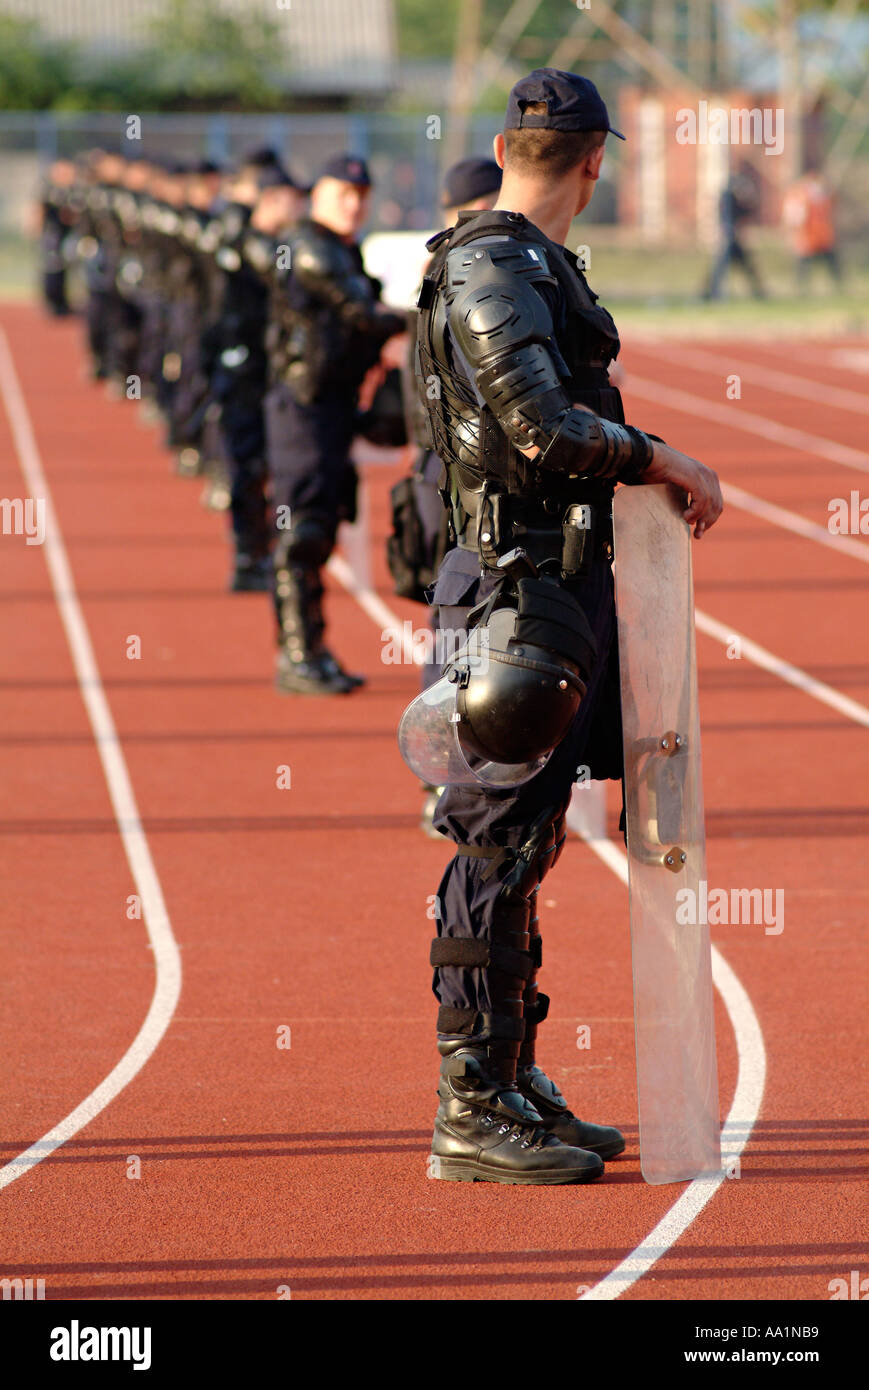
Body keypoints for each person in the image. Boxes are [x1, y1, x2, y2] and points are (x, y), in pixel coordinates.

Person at [411, 68, 723, 1184]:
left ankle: (511, 1073)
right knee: (492, 838)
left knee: (526, 839)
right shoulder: (493, 263)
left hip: (551, 583)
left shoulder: (526, 261)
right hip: (512, 584)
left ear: (505, 147)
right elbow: (540, 428)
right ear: (596, 161)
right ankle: (469, 1100)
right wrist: (663, 457)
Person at [263, 154, 405, 695]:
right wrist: (426, 320)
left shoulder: (339, 246)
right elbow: (363, 313)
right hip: (304, 406)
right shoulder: (309, 245)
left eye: (361, 194)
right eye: (342, 192)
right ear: (317, 195)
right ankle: (298, 655)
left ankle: (309, 650)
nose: (354, 203)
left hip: (330, 404)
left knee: (320, 523)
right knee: (303, 530)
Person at [702, 162, 766, 301]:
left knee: (740, 266)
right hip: (729, 238)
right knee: (721, 267)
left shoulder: (734, 200)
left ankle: (758, 292)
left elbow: (746, 212)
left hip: (734, 238)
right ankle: (710, 293)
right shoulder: (727, 199)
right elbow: (727, 218)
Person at [782, 164, 841, 288]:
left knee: (830, 260)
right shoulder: (799, 194)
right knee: (804, 262)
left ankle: (838, 283)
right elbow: (795, 216)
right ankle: (801, 286)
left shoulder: (823, 193)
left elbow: (830, 208)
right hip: (807, 233)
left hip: (822, 234)